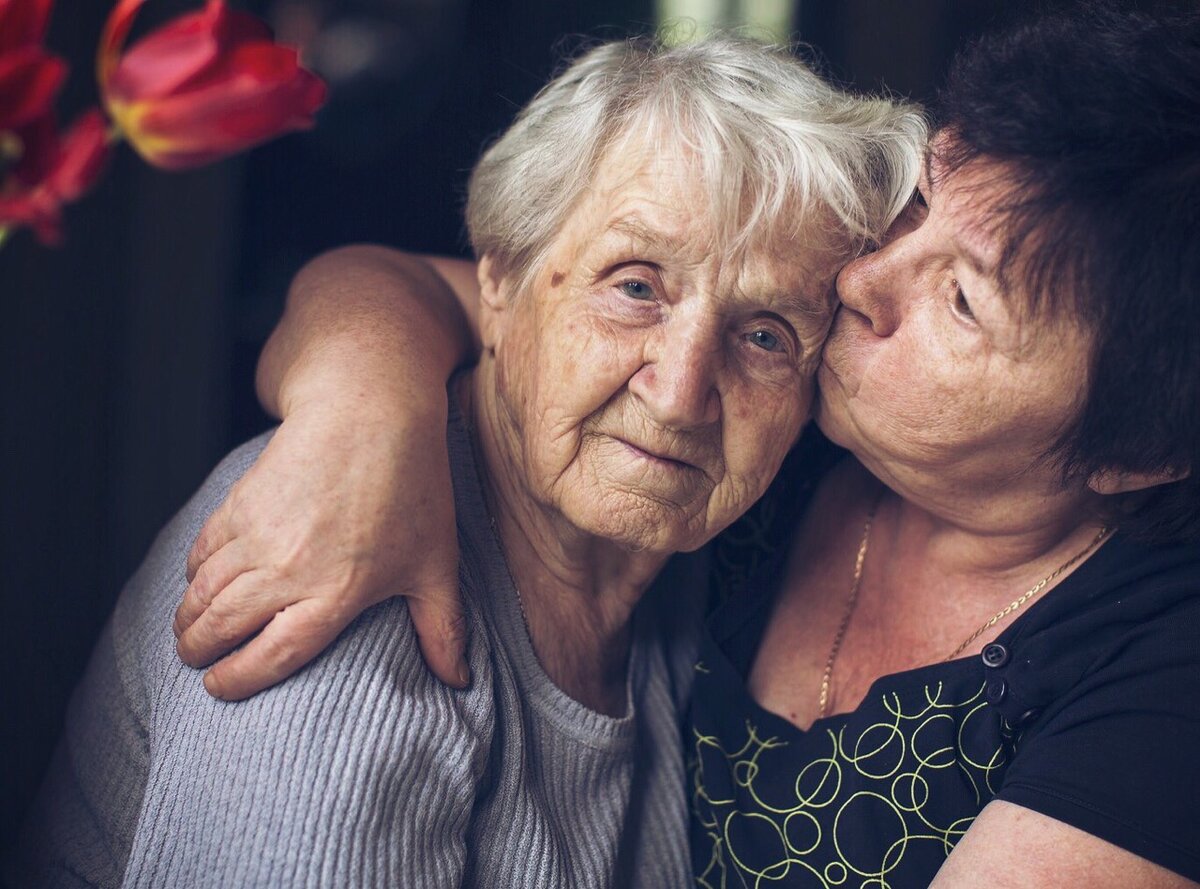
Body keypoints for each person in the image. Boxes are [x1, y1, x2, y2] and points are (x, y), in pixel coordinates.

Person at [164, 3, 1200, 887]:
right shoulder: (758, 408)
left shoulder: (1159, 675)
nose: (861, 282)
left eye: (963, 301)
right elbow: (415, 284)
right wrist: (359, 420)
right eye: (916, 209)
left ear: (1138, 449)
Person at [7, 37, 926, 889]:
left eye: (765, 336)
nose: (682, 393)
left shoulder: (682, 564)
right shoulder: (343, 591)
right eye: (636, 286)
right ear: (498, 279)